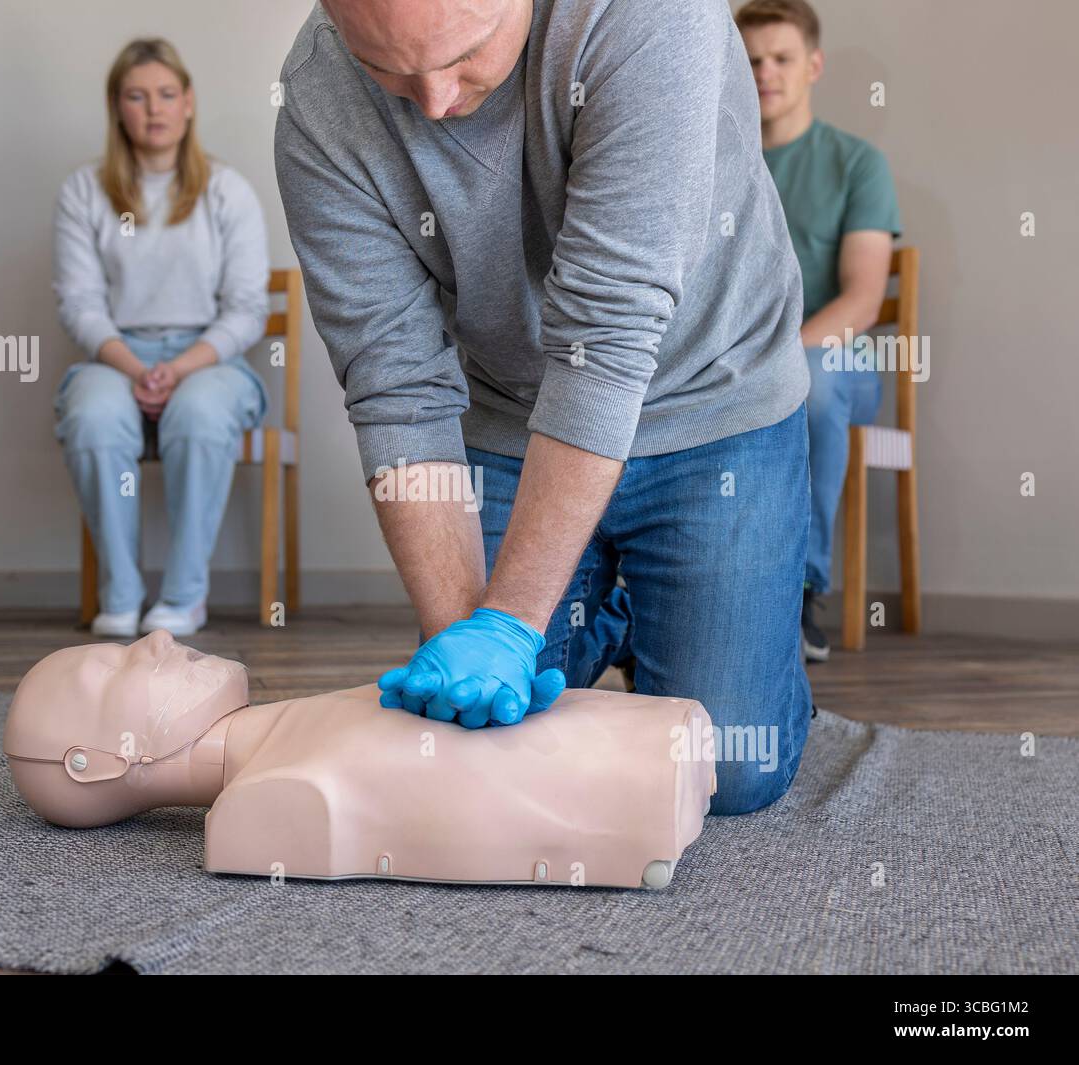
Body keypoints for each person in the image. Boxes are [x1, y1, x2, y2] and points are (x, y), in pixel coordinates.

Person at [274, 0, 813, 815]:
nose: (435, 102)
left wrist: (512, 626)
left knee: (732, 770)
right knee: (473, 737)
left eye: (465, 57)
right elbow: (396, 384)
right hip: (509, 413)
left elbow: (606, 339)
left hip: (714, 395)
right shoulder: (317, 100)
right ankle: (621, 604)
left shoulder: (653, 16)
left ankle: (664, 609)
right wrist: (469, 646)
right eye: (389, 70)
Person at [51, 38, 271, 639]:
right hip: (118, 355)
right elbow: (80, 304)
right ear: (116, 107)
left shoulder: (227, 191)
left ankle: (184, 598)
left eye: (167, 94)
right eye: (137, 96)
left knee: (199, 412)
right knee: (92, 413)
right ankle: (119, 595)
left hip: (208, 358)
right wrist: (134, 366)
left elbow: (247, 310)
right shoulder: (83, 192)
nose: (154, 109)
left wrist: (179, 369)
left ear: (189, 102)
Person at [736, 0, 903, 661]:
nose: (764, 73)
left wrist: (776, 363)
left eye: (779, 58)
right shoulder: (716, 163)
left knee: (817, 383)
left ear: (813, 65)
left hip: (837, 363)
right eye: (750, 61)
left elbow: (863, 300)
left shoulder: (856, 163)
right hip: (734, 363)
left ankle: (803, 589)